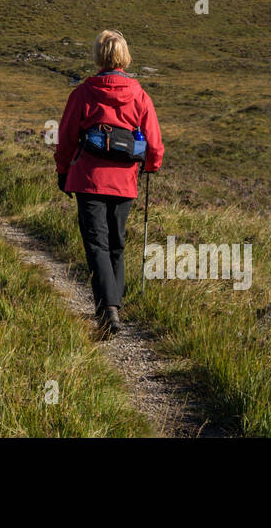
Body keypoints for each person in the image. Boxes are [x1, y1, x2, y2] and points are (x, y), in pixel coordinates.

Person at [54, 30, 164, 336]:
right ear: (124, 56)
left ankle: (108, 309)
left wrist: (63, 171)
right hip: (124, 182)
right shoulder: (139, 94)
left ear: (99, 56)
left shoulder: (83, 93)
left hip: (89, 180)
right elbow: (154, 142)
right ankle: (113, 305)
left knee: (97, 245)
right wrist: (151, 165)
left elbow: (65, 138)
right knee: (116, 244)